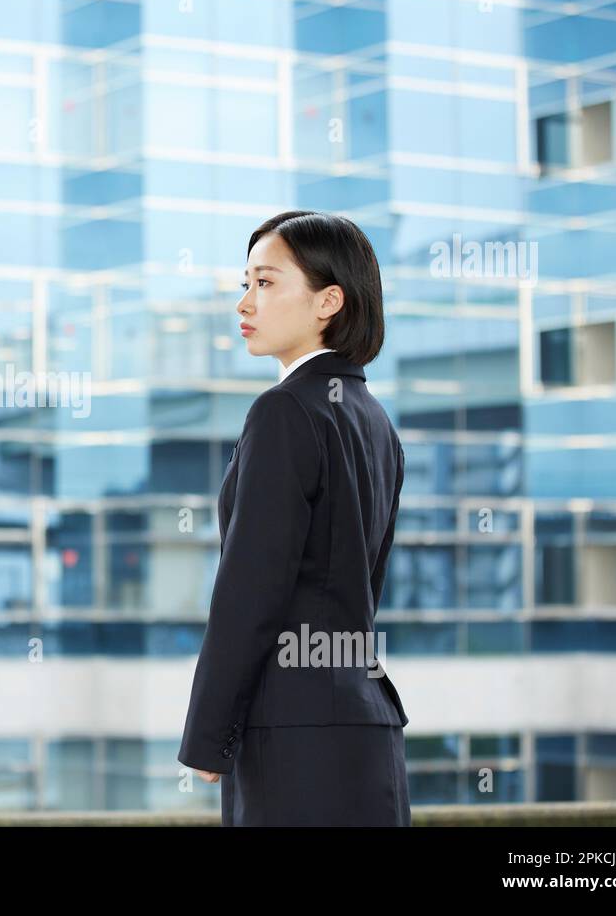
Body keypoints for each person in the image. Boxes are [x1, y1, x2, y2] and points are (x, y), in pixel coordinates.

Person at [177, 210, 411, 826]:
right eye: (244, 284)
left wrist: (207, 735)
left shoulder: (284, 411)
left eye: (266, 282)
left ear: (327, 301)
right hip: (366, 725)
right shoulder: (374, 420)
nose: (244, 303)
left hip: (296, 733)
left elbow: (251, 588)